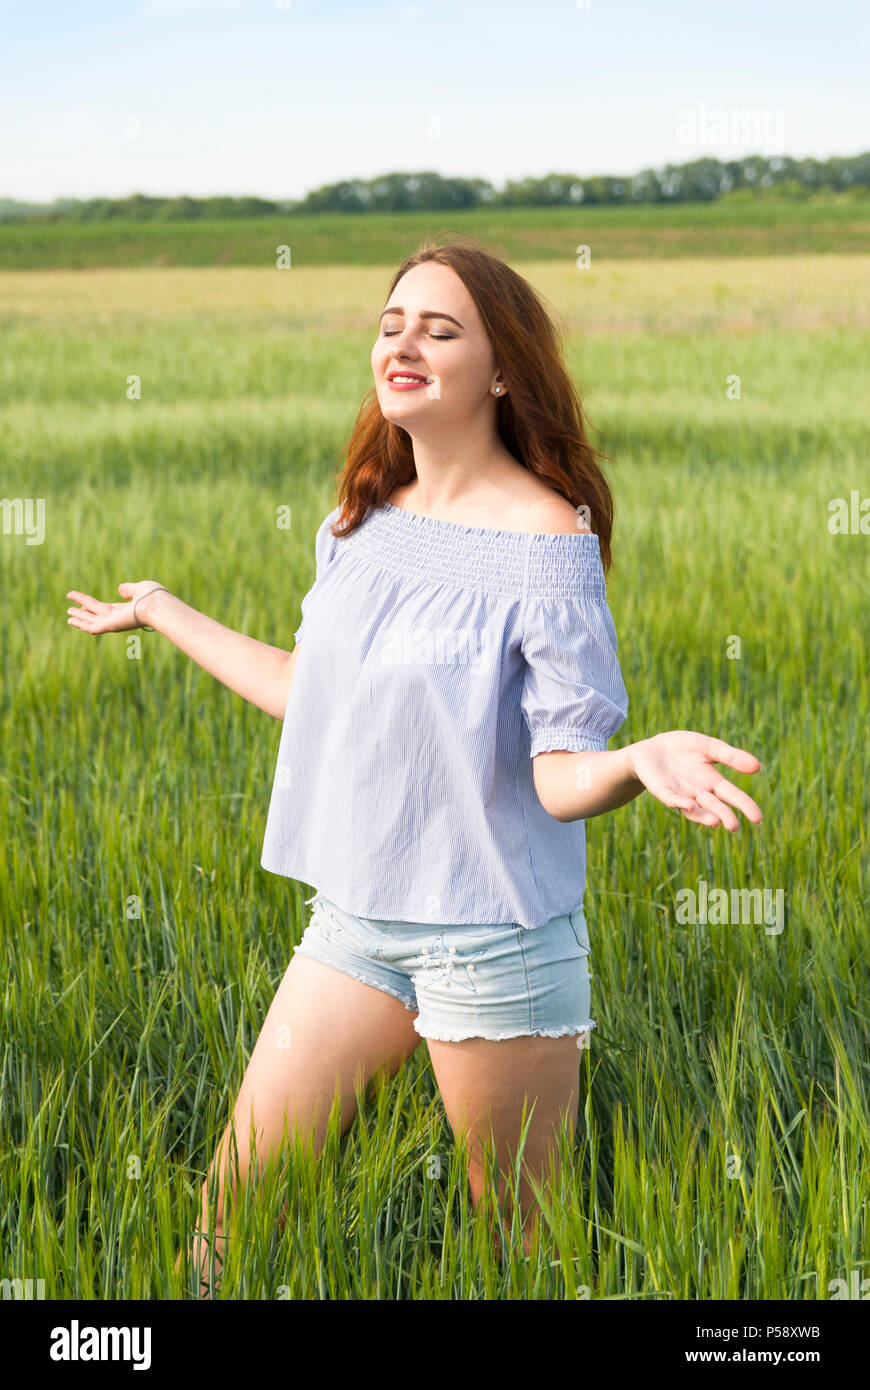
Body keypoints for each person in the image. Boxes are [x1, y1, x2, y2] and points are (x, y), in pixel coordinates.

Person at [66, 238, 763, 1292]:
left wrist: (638, 758)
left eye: (441, 329)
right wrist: (164, 611)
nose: (404, 343)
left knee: (519, 1254)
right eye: (393, 323)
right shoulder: (360, 518)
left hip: (492, 941)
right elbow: (313, 693)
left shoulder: (547, 541)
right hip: (354, 924)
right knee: (225, 1227)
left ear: (502, 371)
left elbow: (558, 775)